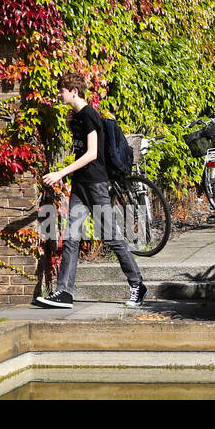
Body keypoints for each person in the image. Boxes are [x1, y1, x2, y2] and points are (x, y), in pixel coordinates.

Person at [34, 71, 147, 309]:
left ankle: (137, 284)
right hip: (80, 185)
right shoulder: (76, 116)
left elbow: (92, 154)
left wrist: (61, 173)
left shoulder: (89, 115)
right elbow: (80, 151)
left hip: (95, 185)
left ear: (73, 92)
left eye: (62, 90)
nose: (59, 94)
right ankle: (64, 292)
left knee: (111, 236)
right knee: (72, 238)